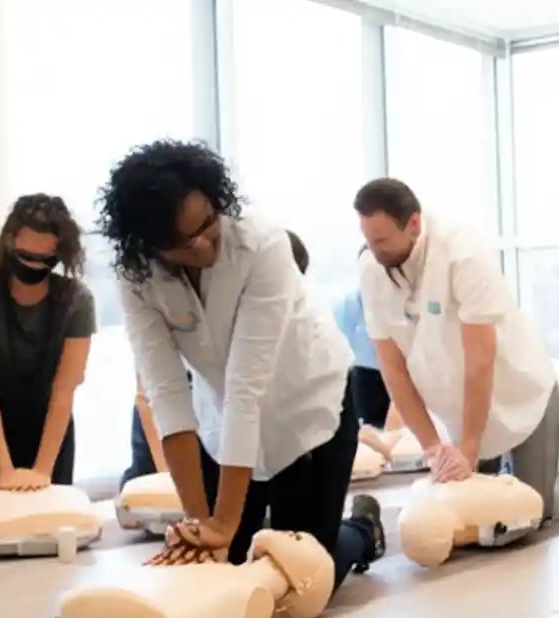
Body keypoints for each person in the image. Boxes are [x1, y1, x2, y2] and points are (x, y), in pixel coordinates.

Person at [99, 139, 384, 587]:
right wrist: (200, 525)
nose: (203, 245)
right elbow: (168, 394)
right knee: (226, 563)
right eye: (183, 243)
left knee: (299, 573)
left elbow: (247, 384)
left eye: (208, 225)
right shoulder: (136, 278)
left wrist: (224, 523)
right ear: (152, 246)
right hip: (225, 417)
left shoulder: (261, 244)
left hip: (307, 401)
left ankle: (363, 531)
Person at [353, 178, 559, 523]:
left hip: (518, 391)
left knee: (532, 513)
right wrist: (434, 449)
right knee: (476, 518)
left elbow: (480, 361)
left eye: (382, 241)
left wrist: (467, 449)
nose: (374, 251)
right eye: (367, 240)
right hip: (459, 406)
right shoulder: (371, 268)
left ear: (414, 224)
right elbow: (393, 369)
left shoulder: (461, 253)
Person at [0, 194, 95, 534]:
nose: (35, 266)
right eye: (27, 257)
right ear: (9, 243)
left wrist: (41, 471)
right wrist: (5, 472)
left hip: (46, 431)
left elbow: (65, 390)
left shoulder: (76, 300)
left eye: (46, 259)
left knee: (50, 536)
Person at [121, 227, 310, 488]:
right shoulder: (173, 302)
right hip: (180, 434)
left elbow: (250, 395)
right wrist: (167, 474)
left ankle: (361, 525)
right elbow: (153, 397)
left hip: (248, 430)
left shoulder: (293, 323)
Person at [333, 249, 392, 428]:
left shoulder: (401, 297)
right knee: (369, 427)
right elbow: (339, 345)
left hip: (402, 372)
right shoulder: (349, 302)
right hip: (365, 374)